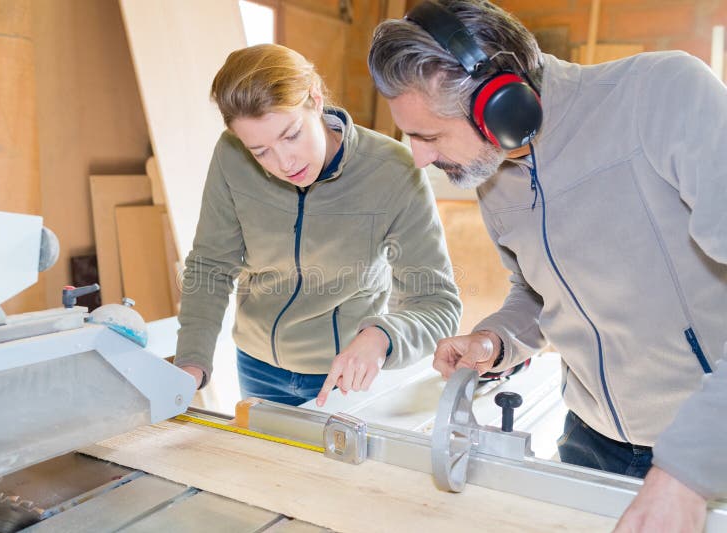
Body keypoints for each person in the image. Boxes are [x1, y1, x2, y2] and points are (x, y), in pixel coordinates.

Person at [367, 0, 726, 529]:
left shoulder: (662, 95)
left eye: (429, 136)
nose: (419, 158)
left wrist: (689, 470)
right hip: (591, 439)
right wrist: (495, 340)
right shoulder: (493, 168)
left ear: (500, 104)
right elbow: (537, 292)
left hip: (705, 445)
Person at [174, 43, 460, 408]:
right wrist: (191, 362)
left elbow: (437, 302)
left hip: (344, 375)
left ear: (316, 99)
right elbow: (211, 266)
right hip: (256, 366)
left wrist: (382, 336)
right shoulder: (231, 155)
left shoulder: (393, 171)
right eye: (259, 151)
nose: (283, 162)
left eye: (291, 134)